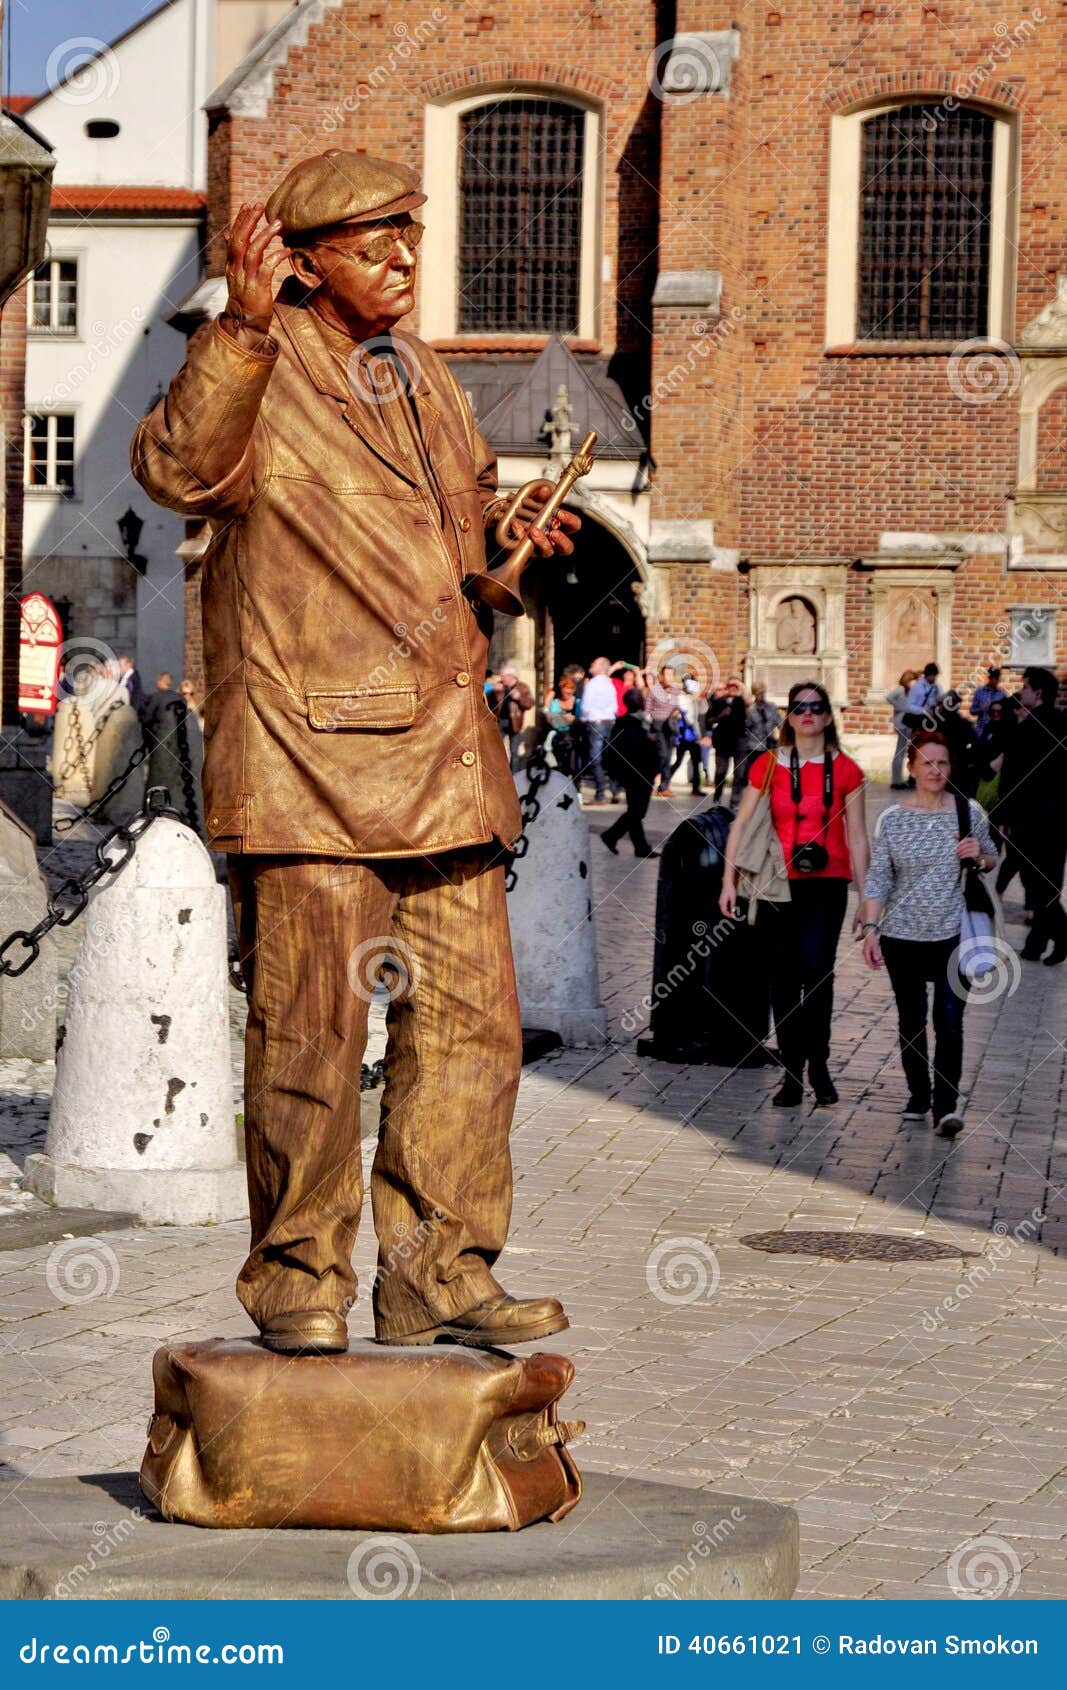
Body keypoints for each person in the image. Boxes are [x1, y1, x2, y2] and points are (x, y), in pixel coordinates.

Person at [132, 151, 578, 1357]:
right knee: (311, 1036)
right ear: (304, 259)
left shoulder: (423, 375)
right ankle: (296, 1275)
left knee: (474, 1033)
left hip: (445, 754)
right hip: (309, 761)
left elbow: (449, 521)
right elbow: (176, 470)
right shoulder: (259, 365)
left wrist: (504, 526)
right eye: (371, 239)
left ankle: (439, 1268)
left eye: (407, 236)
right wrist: (237, 323)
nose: (400, 257)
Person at [720, 680, 869, 1107]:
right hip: (775, 884)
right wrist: (729, 881)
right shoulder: (768, 765)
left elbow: (857, 837)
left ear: (826, 716)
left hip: (827, 885)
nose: (807, 714)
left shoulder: (846, 770)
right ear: (789, 716)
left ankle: (818, 1063)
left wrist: (866, 898)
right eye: (798, 707)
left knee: (818, 975)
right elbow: (742, 824)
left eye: (815, 707)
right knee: (782, 980)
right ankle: (791, 1072)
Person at [857, 732, 997, 1136]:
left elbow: (991, 856)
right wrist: (870, 927)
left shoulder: (968, 812)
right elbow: (880, 876)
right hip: (901, 936)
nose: (936, 771)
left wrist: (980, 858)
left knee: (949, 1020)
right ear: (912, 768)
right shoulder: (892, 818)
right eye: (928, 764)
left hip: (956, 934)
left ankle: (945, 1108)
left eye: (943, 764)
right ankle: (919, 1094)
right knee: (912, 1019)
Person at [997, 666, 1067, 965]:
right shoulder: (1064, 723)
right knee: (1048, 883)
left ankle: (1062, 936)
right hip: (1060, 818)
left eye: (1025, 687)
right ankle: (1036, 943)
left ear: (1038, 693)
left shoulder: (1028, 729)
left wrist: (1003, 816)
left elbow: (1013, 778)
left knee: (1035, 884)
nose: (1020, 691)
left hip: (1031, 820)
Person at [601, 688, 661, 858]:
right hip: (634, 774)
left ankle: (616, 837)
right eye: (639, 699)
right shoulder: (625, 724)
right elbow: (621, 750)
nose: (641, 701)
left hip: (645, 772)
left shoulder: (644, 722)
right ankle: (634, 845)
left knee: (637, 812)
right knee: (636, 812)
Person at [581, 655, 620, 803]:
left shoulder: (593, 684)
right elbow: (615, 707)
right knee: (610, 758)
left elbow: (585, 707)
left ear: (601, 667)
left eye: (594, 663)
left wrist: (583, 720)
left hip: (595, 723)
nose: (591, 665)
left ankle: (600, 794)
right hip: (609, 722)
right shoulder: (609, 684)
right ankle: (615, 790)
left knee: (595, 758)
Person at [738, 684, 782, 793]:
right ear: (754, 694)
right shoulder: (750, 710)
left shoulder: (771, 707)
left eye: (763, 693)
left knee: (771, 771)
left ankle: (768, 791)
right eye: (759, 693)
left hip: (770, 744)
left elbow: (780, 723)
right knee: (755, 772)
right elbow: (745, 727)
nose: (762, 696)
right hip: (754, 745)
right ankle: (755, 792)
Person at [645, 663, 681, 794]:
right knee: (662, 755)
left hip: (671, 725)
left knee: (669, 756)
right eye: (666, 674)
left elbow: (679, 707)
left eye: (671, 675)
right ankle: (650, 781)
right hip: (657, 725)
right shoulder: (654, 689)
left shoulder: (675, 691)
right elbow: (647, 710)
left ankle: (664, 786)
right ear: (661, 675)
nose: (668, 677)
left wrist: (677, 712)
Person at [709, 678, 746, 802]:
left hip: (739, 741)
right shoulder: (719, 702)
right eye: (730, 686)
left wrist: (742, 688)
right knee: (721, 771)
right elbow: (709, 720)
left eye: (735, 687)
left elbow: (750, 703)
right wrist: (721, 715)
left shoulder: (741, 702)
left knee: (739, 772)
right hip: (723, 741)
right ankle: (717, 795)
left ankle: (735, 799)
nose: (732, 689)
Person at [489, 665, 533, 769]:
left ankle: (514, 776)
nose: (501, 678)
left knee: (514, 753)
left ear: (511, 676)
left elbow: (529, 704)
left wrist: (519, 698)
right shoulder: (499, 686)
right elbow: (489, 704)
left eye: (503, 675)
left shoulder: (522, 687)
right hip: (500, 722)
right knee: (496, 749)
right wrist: (495, 692)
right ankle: (497, 771)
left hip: (515, 723)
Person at [886, 669, 918, 788]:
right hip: (901, 723)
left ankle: (901, 779)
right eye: (913, 681)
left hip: (908, 723)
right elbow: (889, 697)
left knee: (903, 751)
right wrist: (900, 707)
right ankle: (896, 780)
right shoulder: (900, 689)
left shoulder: (910, 691)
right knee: (900, 751)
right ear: (907, 680)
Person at [546, 674, 580, 778]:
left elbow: (581, 719)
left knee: (573, 764)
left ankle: (575, 787)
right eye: (565, 690)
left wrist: (574, 719)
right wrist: (548, 700)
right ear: (561, 689)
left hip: (573, 736)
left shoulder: (577, 702)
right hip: (558, 735)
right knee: (559, 763)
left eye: (570, 690)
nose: (567, 693)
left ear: (574, 690)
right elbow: (548, 717)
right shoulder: (555, 703)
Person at [666, 704, 702, 796]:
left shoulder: (694, 704)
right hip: (683, 739)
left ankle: (696, 788)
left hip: (692, 738)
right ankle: (664, 783)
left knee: (695, 763)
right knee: (679, 762)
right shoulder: (680, 708)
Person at [970, 667, 1006, 741]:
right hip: (981, 731)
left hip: (996, 733)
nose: (995, 680)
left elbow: (1006, 713)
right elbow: (972, 711)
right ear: (989, 678)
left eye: (996, 678)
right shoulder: (980, 691)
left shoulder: (1002, 694)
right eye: (993, 678)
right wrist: (981, 709)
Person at [905, 662, 943, 728]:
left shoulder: (936, 686)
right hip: (920, 718)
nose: (935, 678)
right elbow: (909, 706)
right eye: (934, 676)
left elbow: (940, 699)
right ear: (929, 675)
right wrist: (924, 711)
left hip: (932, 716)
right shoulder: (917, 687)